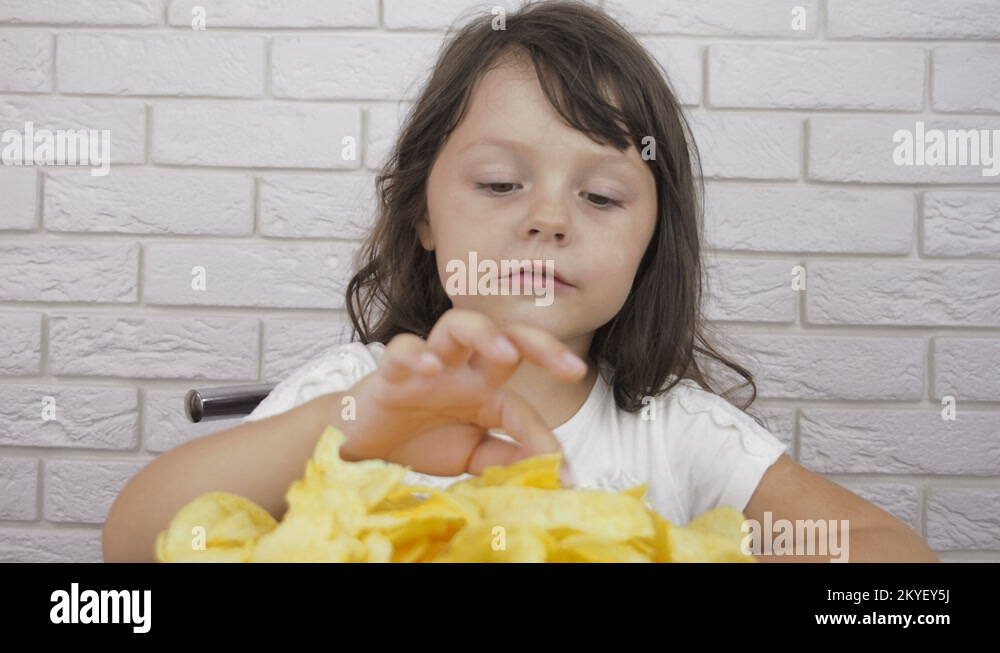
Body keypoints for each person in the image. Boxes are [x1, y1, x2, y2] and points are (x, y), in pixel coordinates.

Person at [103, 0, 938, 563]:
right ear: (423, 215)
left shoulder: (680, 437)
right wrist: (357, 426)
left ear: (653, 243)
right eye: (502, 184)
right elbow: (134, 544)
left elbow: (901, 572)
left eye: (601, 194)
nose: (548, 219)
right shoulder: (356, 393)